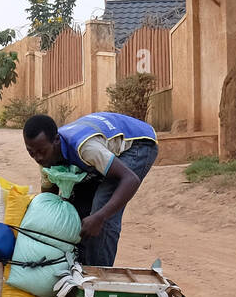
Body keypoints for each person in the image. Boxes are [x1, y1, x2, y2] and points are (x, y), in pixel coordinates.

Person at [22, 112, 159, 268]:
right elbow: (48, 199)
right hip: (103, 149)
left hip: (138, 143)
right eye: (31, 153)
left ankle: (97, 276)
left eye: (41, 152)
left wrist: (100, 216)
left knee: (103, 206)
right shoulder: (46, 155)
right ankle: (80, 264)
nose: (38, 158)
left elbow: (130, 179)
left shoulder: (86, 148)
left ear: (56, 141)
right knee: (76, 205)